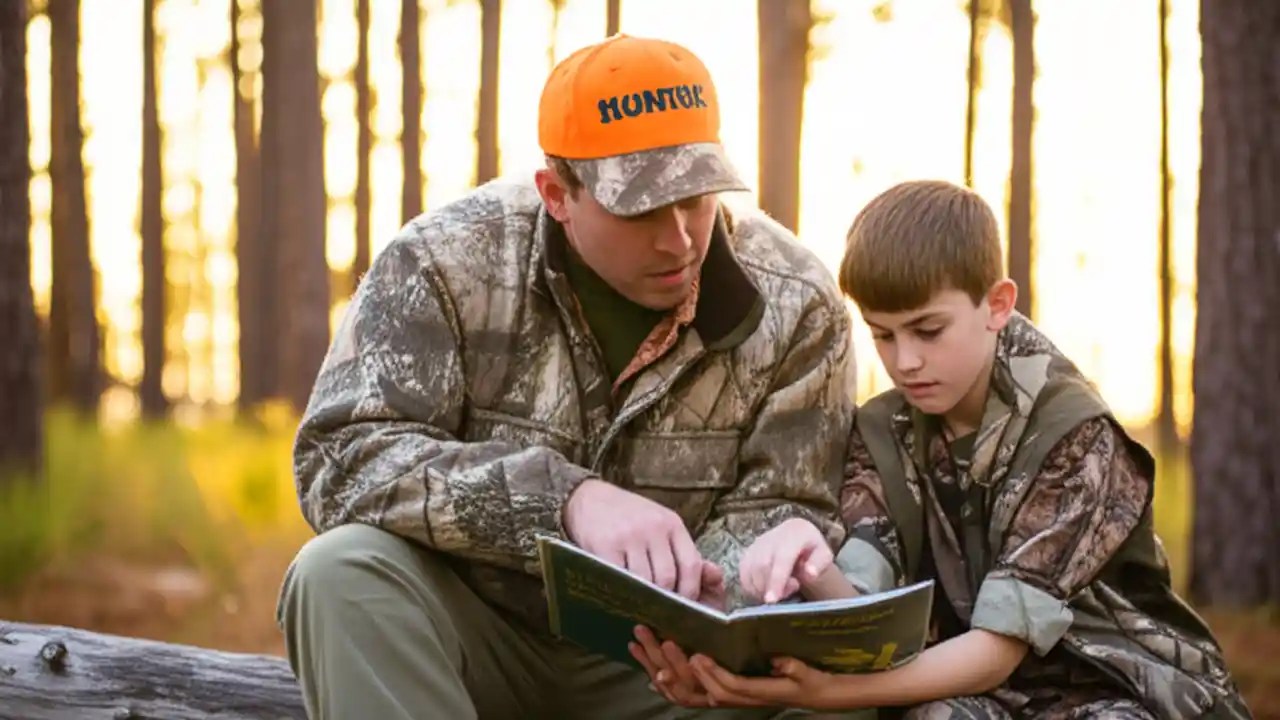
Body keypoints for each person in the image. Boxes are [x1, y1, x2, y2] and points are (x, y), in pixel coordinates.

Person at [276, 33, 858, 720]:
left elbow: (788, 509)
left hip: (675, 673)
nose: (679, 239)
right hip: (473, 635)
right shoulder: (445, 263)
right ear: (557, 192)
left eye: (697, 197)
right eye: (641, 208)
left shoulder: (797, 303)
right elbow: (337, 458)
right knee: (337, 572)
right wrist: (565, 501)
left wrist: (712, 603)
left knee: (839, 672)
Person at [633, 180, 1253, 719]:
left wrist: (832, 694)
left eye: (928, 330)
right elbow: (864, 608)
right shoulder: (883, 431)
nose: (906, 362)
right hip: (980, 693)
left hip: (1126, 686)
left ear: (997, 306)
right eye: (883, 335)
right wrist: (809, 559)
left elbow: (997, 648)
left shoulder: (1073, 436)